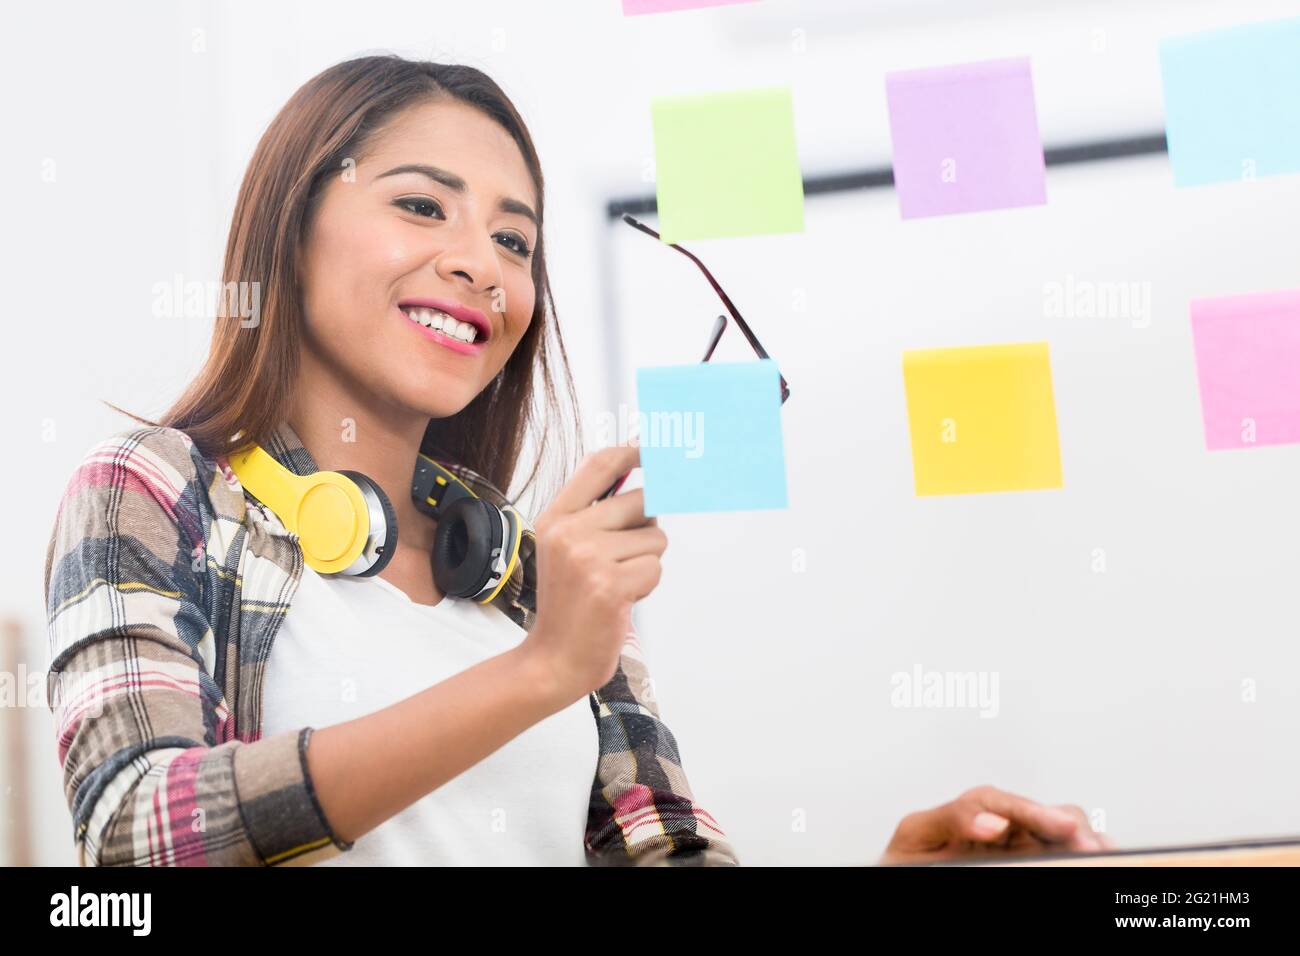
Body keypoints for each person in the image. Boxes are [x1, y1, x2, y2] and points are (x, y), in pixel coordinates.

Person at [43, 54, 1110, 866]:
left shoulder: (530, 576)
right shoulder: (155, 488)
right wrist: (543, 670)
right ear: (291, 228)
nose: (479, 263)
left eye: (515, 241)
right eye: (421, 204)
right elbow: (136, 836)